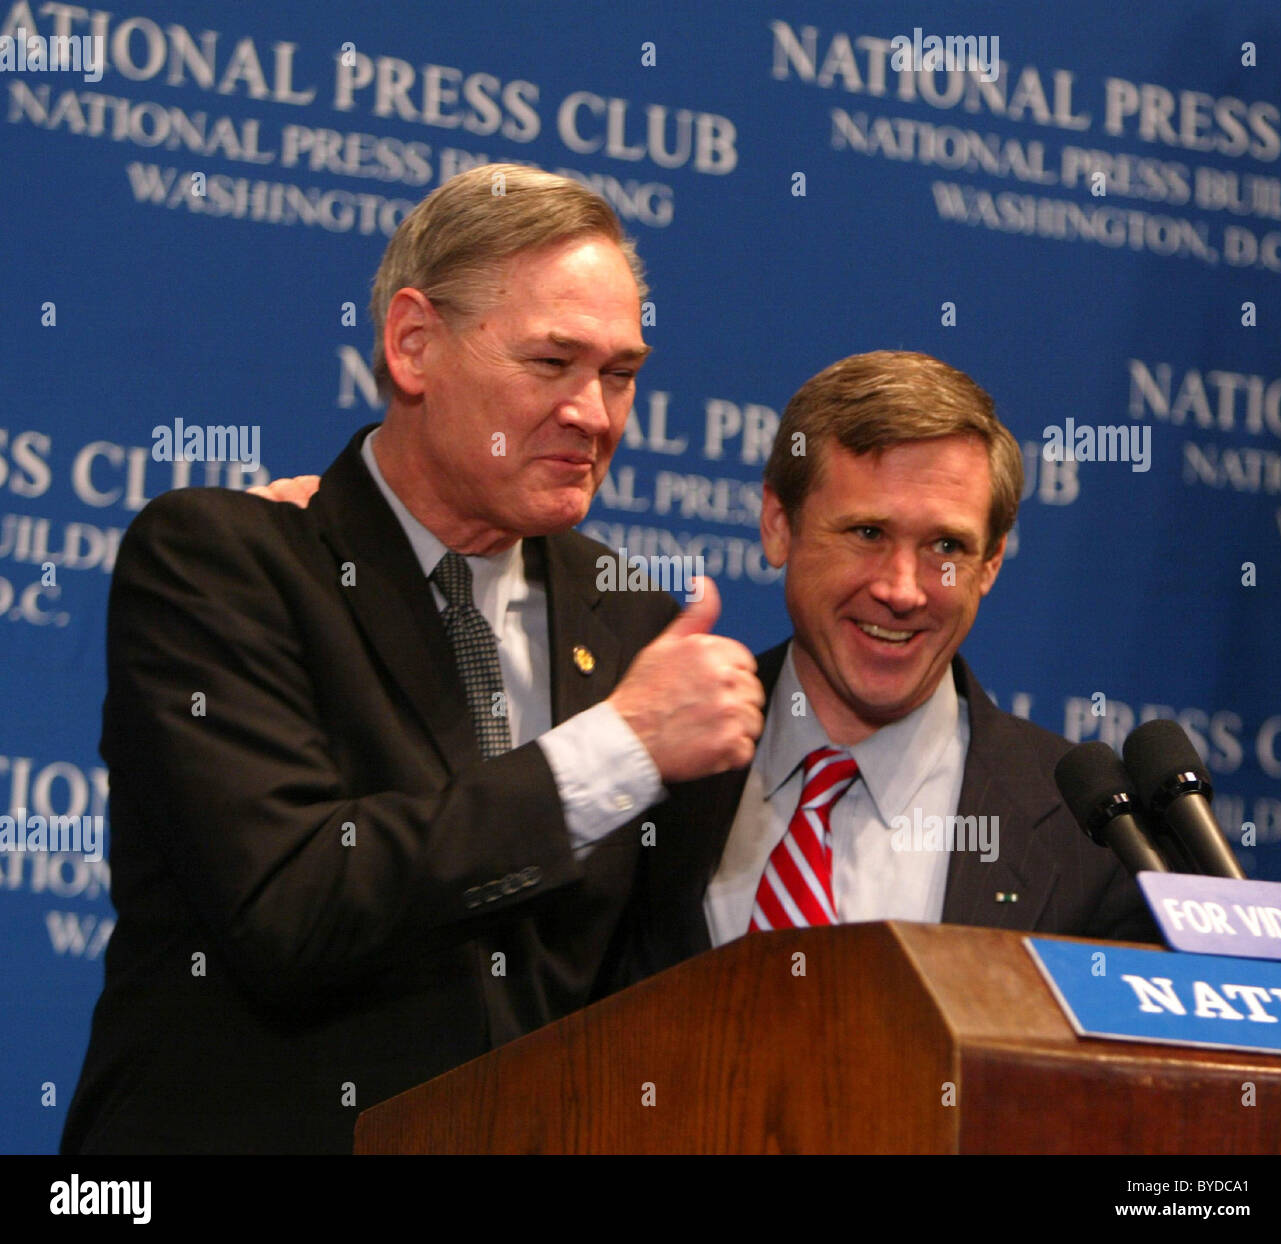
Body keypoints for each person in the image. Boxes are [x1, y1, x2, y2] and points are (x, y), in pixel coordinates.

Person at [61, 163, 763, 1155]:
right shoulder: (227, 563)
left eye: (619, 372)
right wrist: (619, 747)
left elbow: (647, 993)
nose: (595, 415)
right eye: (552, 361)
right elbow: (289, 905)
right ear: (412, 343)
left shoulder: (641, 629)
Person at [634, 350, 1156, 969]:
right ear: (779, 525)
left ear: (990, 563)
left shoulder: (1095, 838)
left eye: (946, 546)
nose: (902, 590)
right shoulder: (648, 770)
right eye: (868, 533)